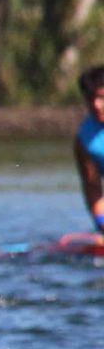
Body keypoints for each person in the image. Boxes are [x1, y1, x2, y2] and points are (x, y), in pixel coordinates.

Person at [74, 65, 104, 234]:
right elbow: (92, 188)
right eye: (91, 98)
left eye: (101, 97)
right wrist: (101, 221)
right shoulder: (85, 140)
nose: (96, 105)